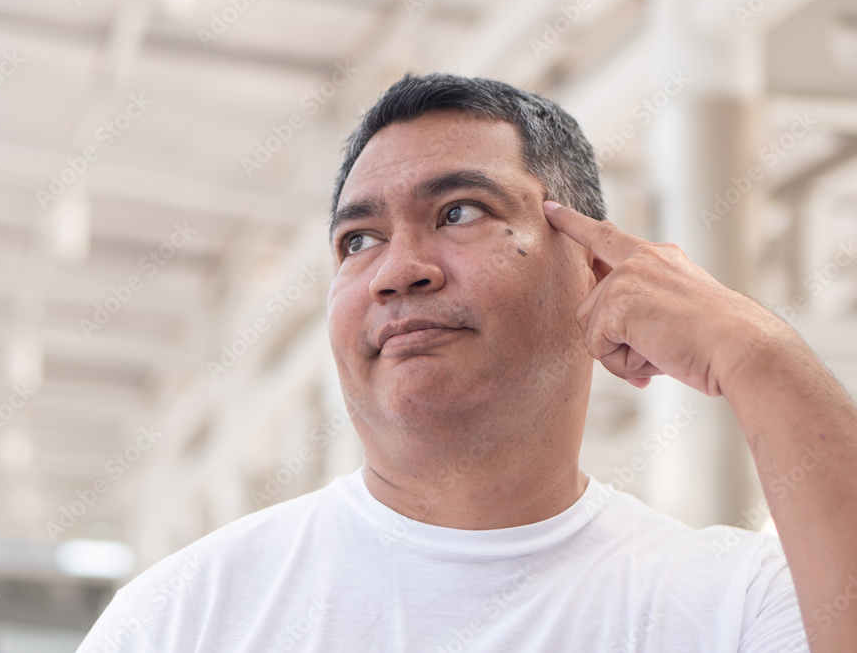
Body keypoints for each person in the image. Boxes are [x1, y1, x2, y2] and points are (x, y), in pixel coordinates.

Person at [76, 73, 857, 652]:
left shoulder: (727, 605)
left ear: (591, 266)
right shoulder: (183, 617)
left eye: (459, 212)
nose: (396, 269)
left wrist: (759, 354)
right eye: (359, 239)